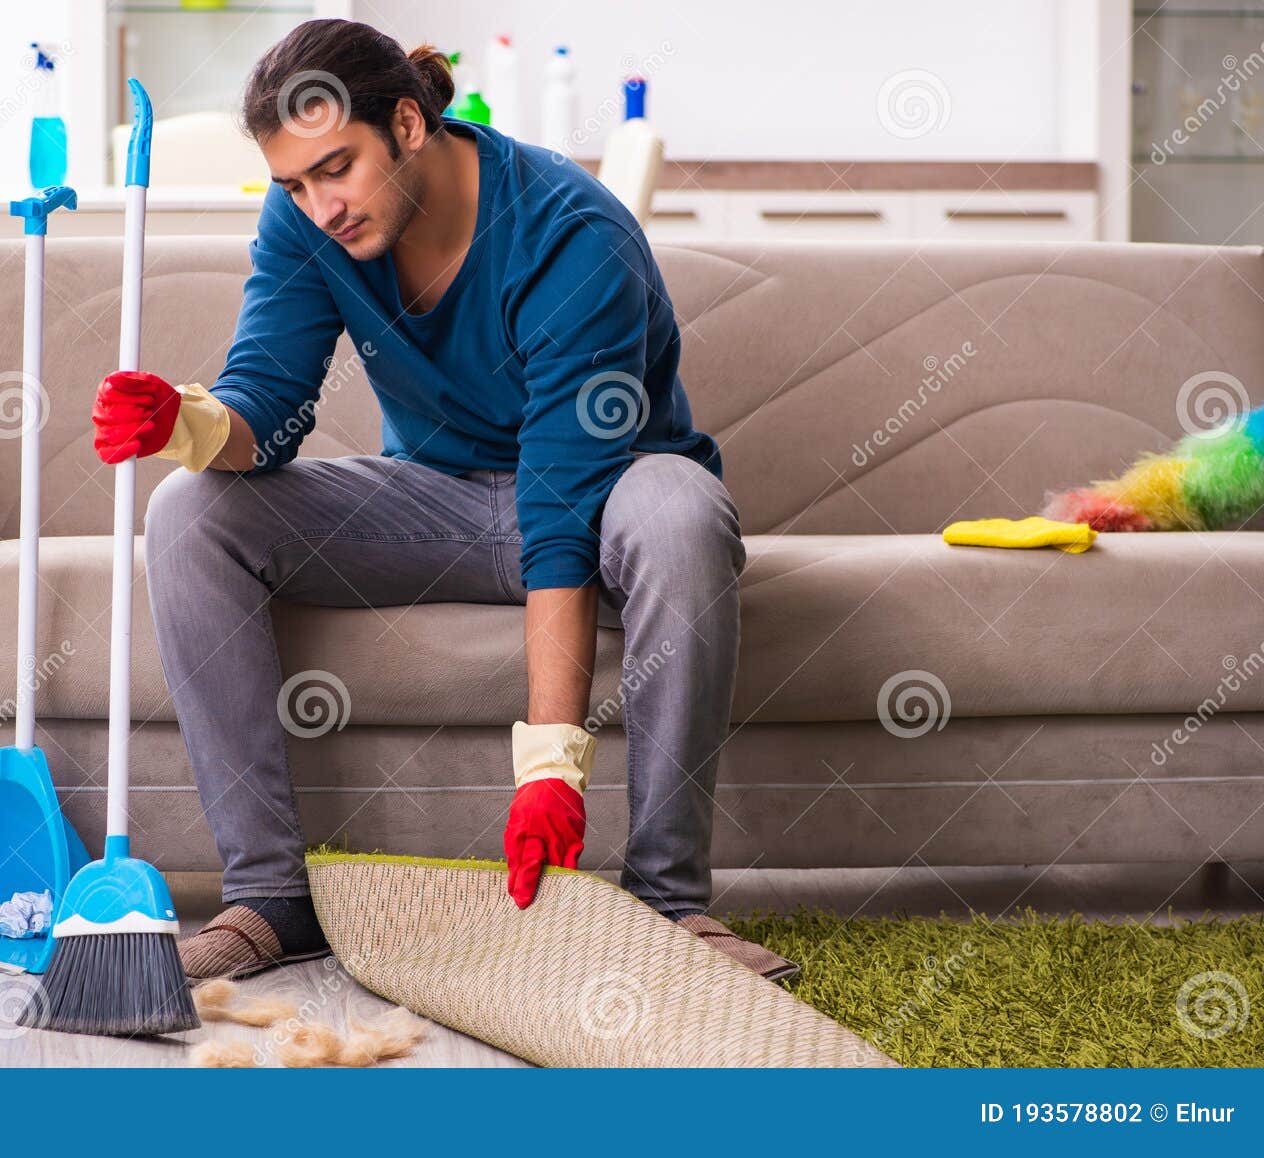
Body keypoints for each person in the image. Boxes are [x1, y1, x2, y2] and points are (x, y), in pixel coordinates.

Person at [90, 17, 798, 983]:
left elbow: (560, 504)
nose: (321, 206)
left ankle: (668, 905)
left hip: (611, 498)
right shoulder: (305, 221)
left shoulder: (573, 235)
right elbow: (270, 395)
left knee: (680, 513)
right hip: (439, 502)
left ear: (411, 125)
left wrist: (551, 765)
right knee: (189, 510)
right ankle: (269, 899)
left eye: (337, 168)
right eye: (295, 183)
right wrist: (188, 423)